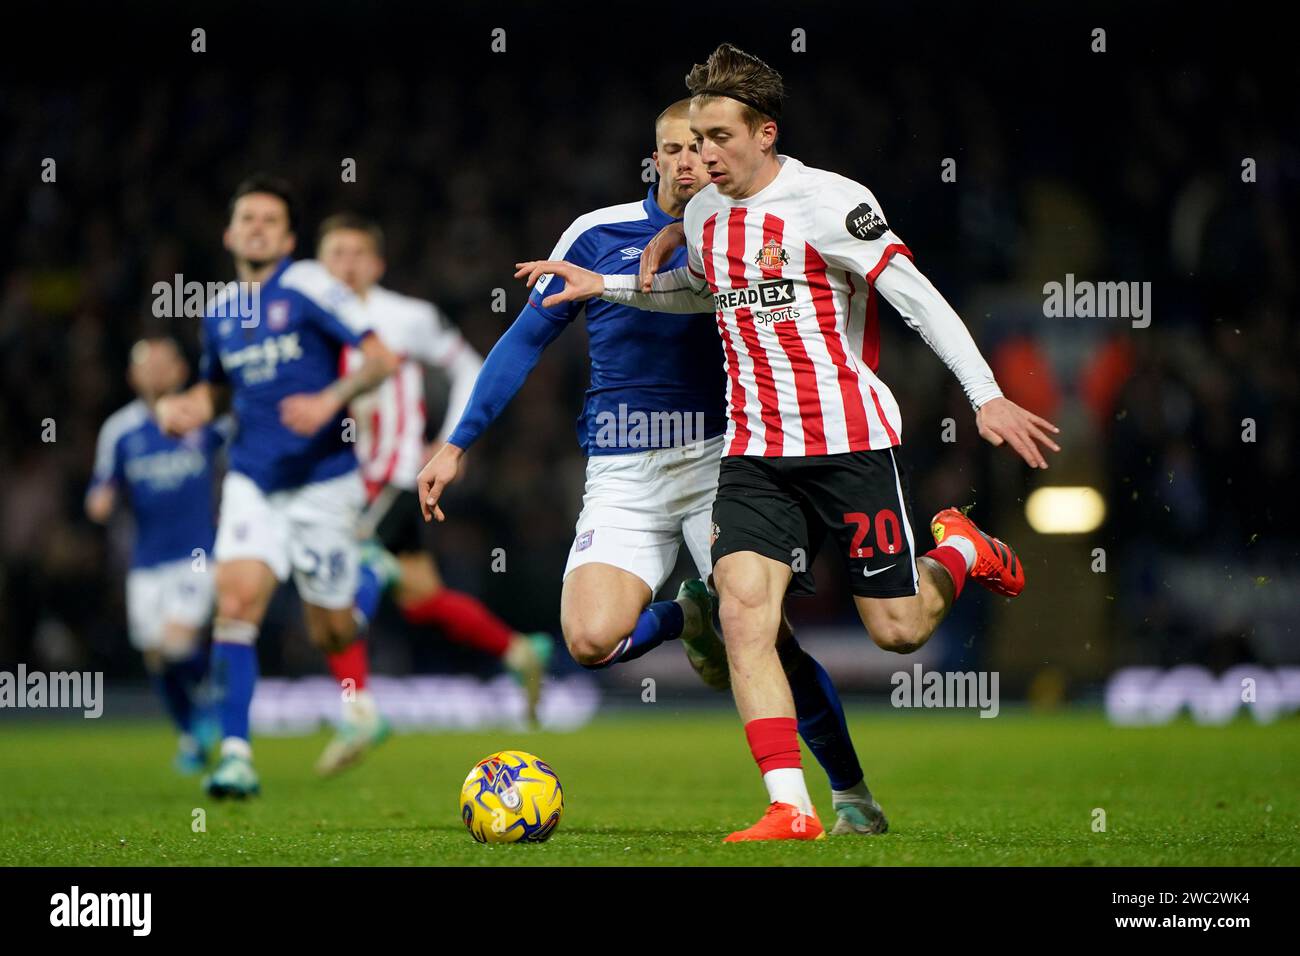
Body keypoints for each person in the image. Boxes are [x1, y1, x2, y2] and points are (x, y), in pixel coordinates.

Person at [512, 44, 1062, 841]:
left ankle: (964, 552)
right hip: (754, 455)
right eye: (694, 141)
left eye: (718, 140)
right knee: (744, 618)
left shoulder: (832, 203)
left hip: (847, 445)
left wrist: (986, 396)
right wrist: (615, 283)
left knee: (898, 631)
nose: (701, 159)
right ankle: (791, 807)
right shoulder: (702, 214)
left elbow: (918, 299)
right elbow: (698, 293)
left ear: (765, 133)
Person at [420, 101, 891, 837]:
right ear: (654, 159)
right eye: (670, 149)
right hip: (622, 471)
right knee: (588, 639)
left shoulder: (737, 234)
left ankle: (850, 793)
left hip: (720, 460)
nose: (684, 161)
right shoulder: (597, 233)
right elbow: (521, 342)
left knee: (767, 641)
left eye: (696, 148)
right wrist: (456, 444)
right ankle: (684, 614)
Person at [157, 174, 399, 798]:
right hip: (253, 478)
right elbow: (218, 391)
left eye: (270, 219)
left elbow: (380, 359)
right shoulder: (218, 313)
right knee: (236, 605)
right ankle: (235, 755)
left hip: (324, 481)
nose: (257, 227)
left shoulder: (312, 285)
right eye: (248, 218)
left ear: (289, 236)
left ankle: (371, 575)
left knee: (332, 633)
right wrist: (189, 406)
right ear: (229, 233)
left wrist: (330, 399)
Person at [317, 213, 551, 747]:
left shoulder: (406, 317)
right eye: (335, 254)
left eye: (357, 253)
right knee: (421, 596)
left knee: (351, 573)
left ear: (377, 263)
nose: (346, 264)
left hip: (395, 474)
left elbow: (470, 365)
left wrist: (450, 442)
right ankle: (519, 651)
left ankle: (358, 710)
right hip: (340, 477)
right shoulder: (311, 320)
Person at [87, 337, 225, 773]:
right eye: (145, 364)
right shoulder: (120, 430)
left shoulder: (202, 420)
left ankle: (211, 705)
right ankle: (191, 733)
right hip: (146, 559)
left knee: (177, 641)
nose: (155, 371)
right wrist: (100, 499)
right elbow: (101, 484)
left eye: (164, 363)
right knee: (155, 655)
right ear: (132, 376)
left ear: (182, 371)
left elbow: (238, 453)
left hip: (197, 553)